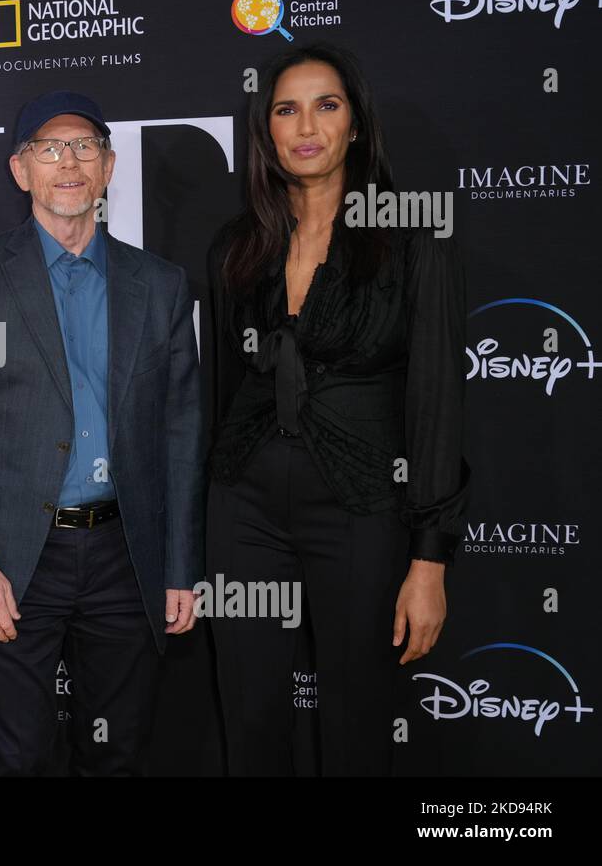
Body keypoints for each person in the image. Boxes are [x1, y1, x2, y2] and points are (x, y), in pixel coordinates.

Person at [202, 43, 469, 776]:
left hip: (361, 506)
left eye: (328, 104)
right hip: (244, 510)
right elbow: (223, 393)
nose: (306, 124)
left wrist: (430, 559)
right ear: (267, 131)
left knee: (357, 721)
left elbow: (437, 400)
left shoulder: (411, 237)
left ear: (356, 124)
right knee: (249, 711)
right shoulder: (236, 248)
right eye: (287, 109)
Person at [0, 91, 205, 776]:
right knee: (16, 755)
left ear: (108, 166)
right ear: (21, 171)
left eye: (84, 146)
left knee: (116, 751)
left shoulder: (160, 285)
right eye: (48, 148)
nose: (68, 162)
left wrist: (180, 567)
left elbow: (182, 430)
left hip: (125, 556)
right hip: (15, 557)